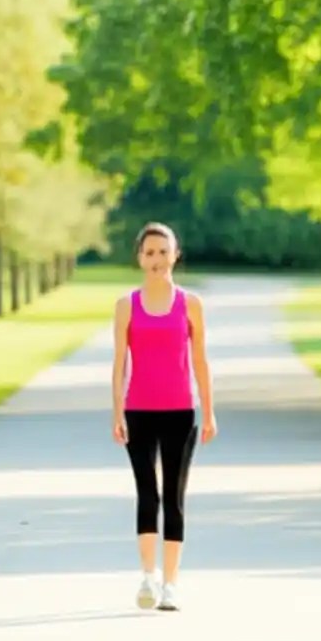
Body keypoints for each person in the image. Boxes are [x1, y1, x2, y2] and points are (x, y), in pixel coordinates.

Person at [111, 221, 217, 611]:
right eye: (149, 252)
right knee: (147, 493)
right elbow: (119, 363)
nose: (156, 259)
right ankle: (147, 578)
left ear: (176, 255)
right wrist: (117, 411)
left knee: (174, 495)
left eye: (163, 251)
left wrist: (209, 410)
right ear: (140, 258)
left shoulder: (190, 304)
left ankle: (172, 584)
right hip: (138, 411)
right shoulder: (127, 306)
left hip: (180, 411)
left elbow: (200, 359)